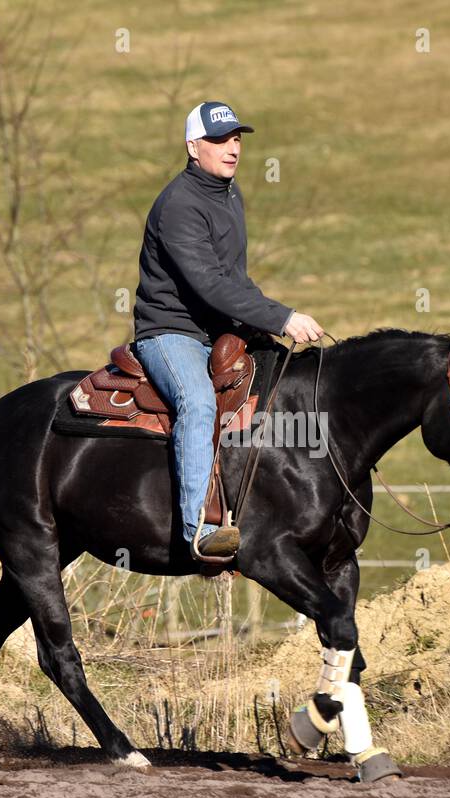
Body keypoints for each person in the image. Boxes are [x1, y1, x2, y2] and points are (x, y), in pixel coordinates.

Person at [132, 101, 323, 560]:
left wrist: (265, 325)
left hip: (218, 332)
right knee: (197, 403)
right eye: (219, 140)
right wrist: (281, 317)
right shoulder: (179, 204)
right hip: (170, 333)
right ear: (193, 147)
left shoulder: (228, 193)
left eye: (236, 138)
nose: (232, 148)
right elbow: (209, 284)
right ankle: (197, 530)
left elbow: (234, 278)